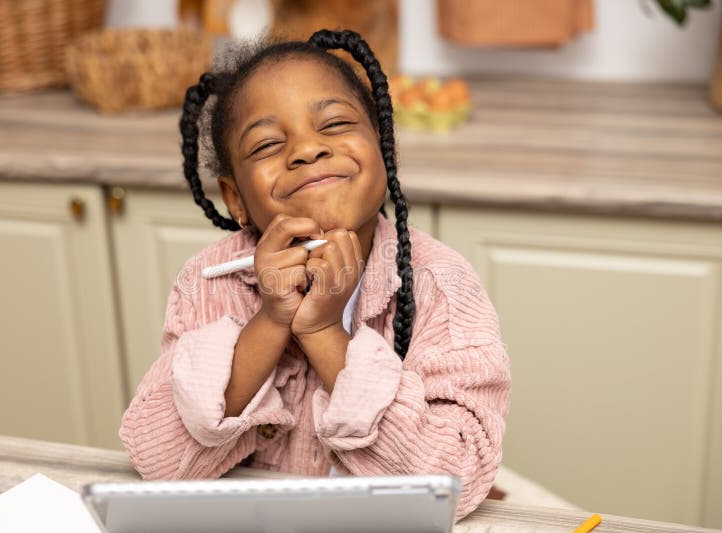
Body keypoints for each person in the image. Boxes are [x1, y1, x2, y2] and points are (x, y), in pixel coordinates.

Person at [119, 29, 510, 521]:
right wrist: (270, 321)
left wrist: (324, 332)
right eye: (266, 145)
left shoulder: (441, 284)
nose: (307, 150)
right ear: (235, 198)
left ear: (384, 151)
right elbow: (160, 463)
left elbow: (452, 481)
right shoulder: (208, 281)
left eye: (335, 123)